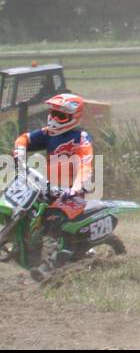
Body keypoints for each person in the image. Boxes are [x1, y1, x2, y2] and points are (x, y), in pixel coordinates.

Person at [13, 93, 95, 278]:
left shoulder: (80, 138)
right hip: (48, 186)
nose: (54, 119)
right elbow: (24, 139)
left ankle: (49, 266)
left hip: (71, 192)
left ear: (74, 117)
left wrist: (76, 187)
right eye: (53, 113)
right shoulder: (48, 133)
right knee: (27, 210)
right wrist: (19, 154)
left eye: (61, 116)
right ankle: (21, 244)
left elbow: (85, 163)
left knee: (53, 220)